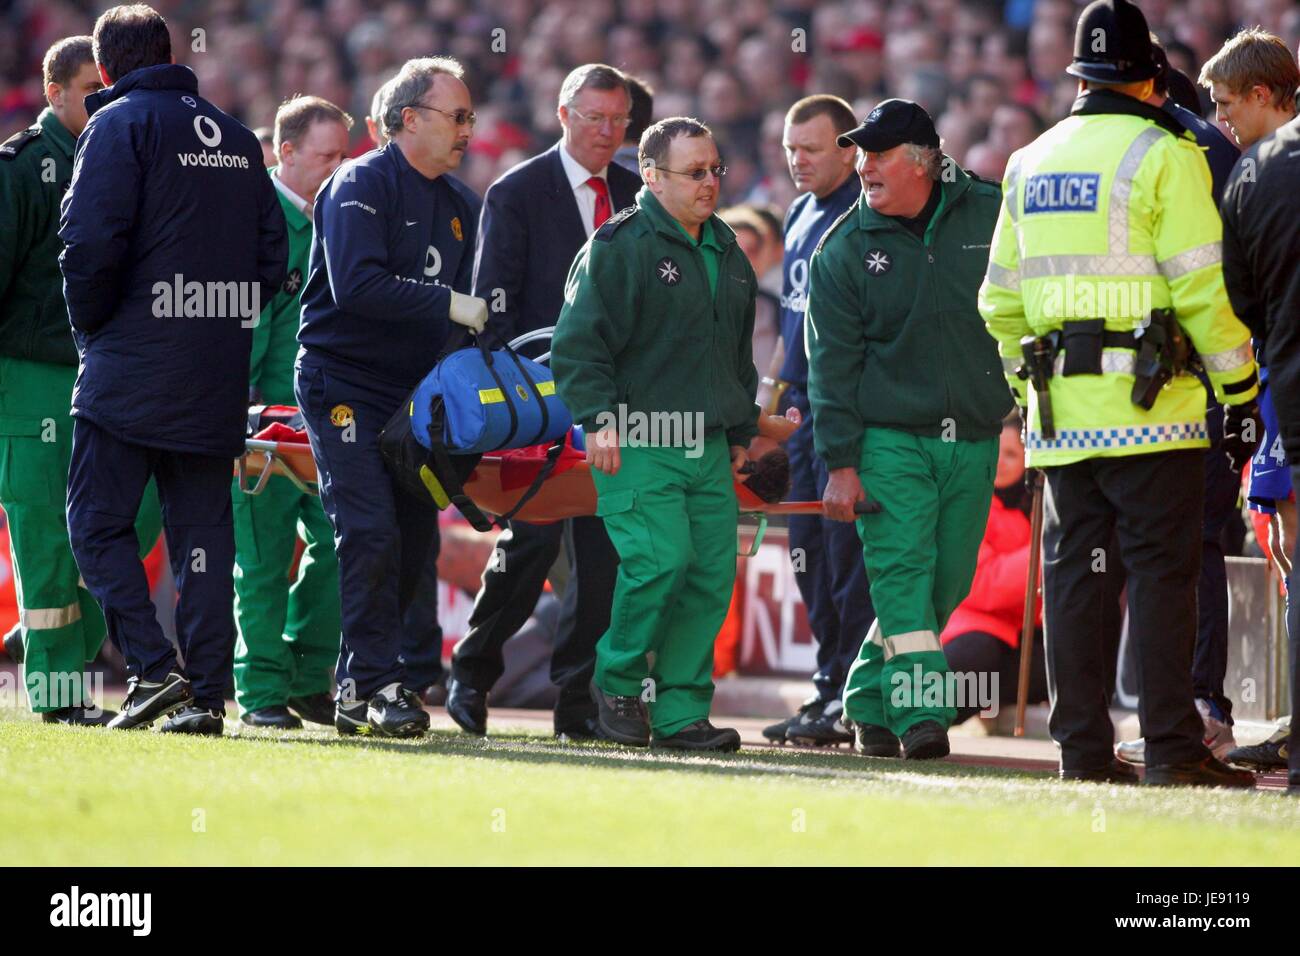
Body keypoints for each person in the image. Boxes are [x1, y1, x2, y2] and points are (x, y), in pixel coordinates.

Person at [979, 0, 1259, 787]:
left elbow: (998, 302)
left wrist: (1030, 385)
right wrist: (1239, 388)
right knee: (1164, 576)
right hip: (1156, 415)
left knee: (1075, 581)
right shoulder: (1166, 153)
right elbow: (1202, 287)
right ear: (1148, 79)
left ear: (1077, 77)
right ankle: (1171, 748)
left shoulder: (1028, 160)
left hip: (1061, 421)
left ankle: (1082, 752)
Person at [60, 4, 287, 735]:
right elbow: (272, 262)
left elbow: (88, 244)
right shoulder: (238, 139)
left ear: (106, 69)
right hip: (214, 374)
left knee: (96, 524)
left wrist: (96, 329)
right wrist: (217, 326)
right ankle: (205, 693)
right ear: (171, 53)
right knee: (203, 538)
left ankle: (155, 671)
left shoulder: (118, 126)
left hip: (130, 369)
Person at [808, 99, 1011, 762]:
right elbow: (830, 370)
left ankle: (865, 699)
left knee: (943, 585)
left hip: (977, 435)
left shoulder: (993, 209)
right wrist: (840, 462)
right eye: (858, 152)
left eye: (876, 153)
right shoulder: (842, 249)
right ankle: (921, 713)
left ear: (923, 161)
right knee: (902, 576)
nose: (860, 165)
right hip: (888, 440)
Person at [551, 117, 758, 751]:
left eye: (714, 170)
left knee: (709, 575)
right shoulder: (619, 246)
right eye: (694, 173)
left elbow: (736, 353)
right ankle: (617, 684)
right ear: (651, 176)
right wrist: (597, 418)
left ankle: (680, 715)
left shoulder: (726, 245)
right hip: (639, 438)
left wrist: (742, 429)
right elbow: (579, 342)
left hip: (707, 444)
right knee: (660, 563)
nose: (709, 183)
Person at [446, 63, 640, 739]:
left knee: (602, 552)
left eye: (618, 120)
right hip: (537, 400)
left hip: (616, 406)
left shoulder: (638, 191)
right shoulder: (518, 191)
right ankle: (471, 673)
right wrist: (520, 398)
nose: (608, 133)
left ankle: (577, 702)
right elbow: (489, 307)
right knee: (529, 543)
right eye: (594, 118)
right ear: (563, 115)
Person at [296, 56, 484, 738]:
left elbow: (471, 320)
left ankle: (375, 682)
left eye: (469, 117)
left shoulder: (464, 205)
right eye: (456, 116)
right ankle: (368, 683)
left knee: (411, 541)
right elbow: (357, 287)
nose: (467, 129)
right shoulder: (360, 182)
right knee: (369, 529)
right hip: (343, 383)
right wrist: (452, 306)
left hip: (416, 398)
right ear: (408, 120)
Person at [0, 35, 162, 724]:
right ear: (55, 93)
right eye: (88, 96)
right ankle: (60, 693)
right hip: (33, 374)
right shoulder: (25, 168)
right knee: (45, 535)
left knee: (136, 515)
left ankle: (50, 639)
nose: (100, 108)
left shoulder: (121, 159)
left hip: (106, 373)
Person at [1114, 38, 1246, 766]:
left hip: (1168, 383)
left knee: (1168, 547)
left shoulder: (1178, 146)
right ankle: (1191, 710)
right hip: (1207, 378)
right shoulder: (1207, 148)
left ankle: (1187, 713)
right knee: (1190, 544)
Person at [233, 96, 351, 730]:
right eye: (327, 156)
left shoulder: (337, 220)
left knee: (337, 543)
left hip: (324, 424)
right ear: (286, 152)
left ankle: (309, 677)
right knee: (261, 558)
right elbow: (243, 332)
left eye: (344, 155)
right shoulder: (258, 225)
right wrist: (240, 420)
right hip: (265, 423)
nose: (339, 168)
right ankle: (259, 693)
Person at [761, 94, 873, 748]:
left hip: (841, 410)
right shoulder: (800, 212)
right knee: (807, 554)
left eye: (810, 148)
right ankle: (827, 685)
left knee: (844, 555)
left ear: (848, 149)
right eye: (789, 148)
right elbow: (789, 322)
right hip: (797, 408)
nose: (797, 161)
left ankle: (851, 692)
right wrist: (768, 408)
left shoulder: (864, 215)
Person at [1219, 80, 1300, 800]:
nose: (1222, 121)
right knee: (1282, 549)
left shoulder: (1258, 172)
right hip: (1282, 385)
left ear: (1265, 94)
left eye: (1228, 104)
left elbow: (1239, 297)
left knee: (1292, 551)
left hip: (1287, 379)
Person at [941, 413, 1047, 724]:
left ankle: (980, 699)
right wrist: (1046, 554)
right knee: (976, 656)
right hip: (973, 629)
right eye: (994, 450)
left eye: (1012, 454)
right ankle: (922, 718)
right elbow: (982, 584)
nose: (999, 461)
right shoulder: (967, 503)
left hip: (1024, 636)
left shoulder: (1041, 504)